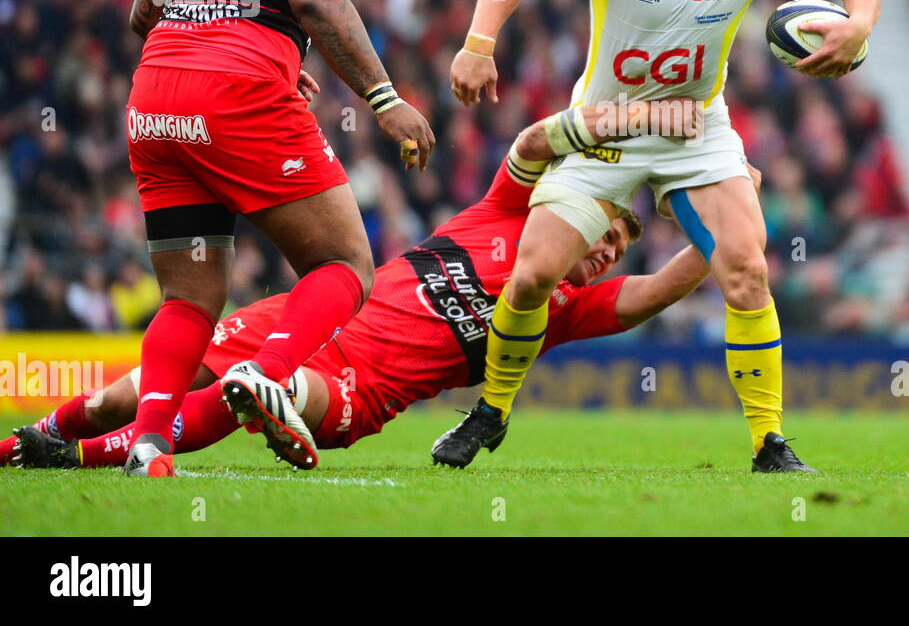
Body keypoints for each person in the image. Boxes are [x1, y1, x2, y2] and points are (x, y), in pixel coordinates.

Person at [440, 0, 884, 472]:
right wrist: (478, 44)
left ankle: (769, 442)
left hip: (695, 131)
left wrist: (859, 26)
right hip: (607, 128)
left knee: (748, 270)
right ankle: (492, 410)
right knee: (534, 274)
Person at [6, 98, 711, 471]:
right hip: (314, 318)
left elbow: (652, 293)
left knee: (251, 390)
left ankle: (258, 396)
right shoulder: (506, 211)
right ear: (574, 211)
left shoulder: (563, 309)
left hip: (362, 388)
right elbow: (530, 144)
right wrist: (626, 121)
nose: (607, 253)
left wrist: (725, 239)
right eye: (606, 233)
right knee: (136, 388)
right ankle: (41, 438)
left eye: (618, 249)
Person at [122, 0, 435, 476]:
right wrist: (385, 99)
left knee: (189, 297)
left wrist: (256, 44)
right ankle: (267, 372)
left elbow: (145, 11)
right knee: (346, 262)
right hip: (233, 99)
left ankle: (149, 443)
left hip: (155, 101)